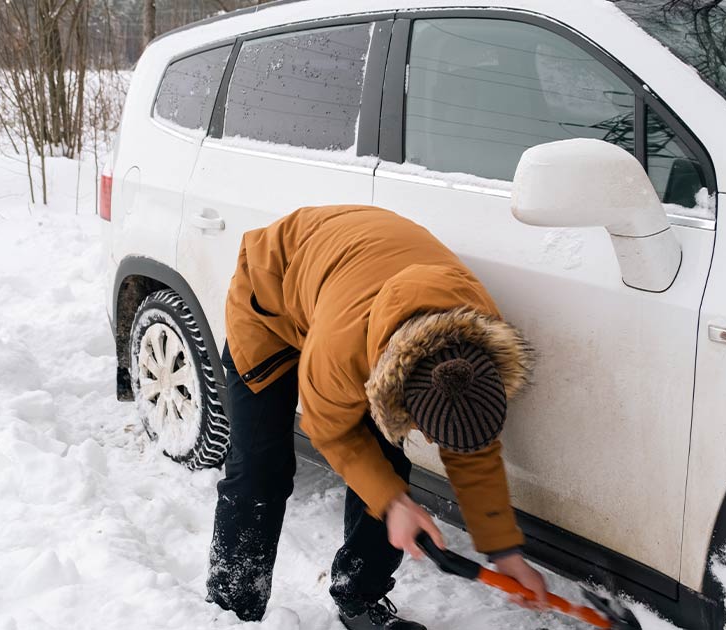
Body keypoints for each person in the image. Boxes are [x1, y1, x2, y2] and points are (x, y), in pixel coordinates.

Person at [206, 205, 546, 629]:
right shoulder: (341, 351)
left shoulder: (477, 338)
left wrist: (504, 551)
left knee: (386, 466)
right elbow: (330, 431)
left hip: (350, 287)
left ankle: (358, 596)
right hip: (271, 296)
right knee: (261, 469)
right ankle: (230, 608)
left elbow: (470, 443)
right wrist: (391, 502)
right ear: (397, 393)